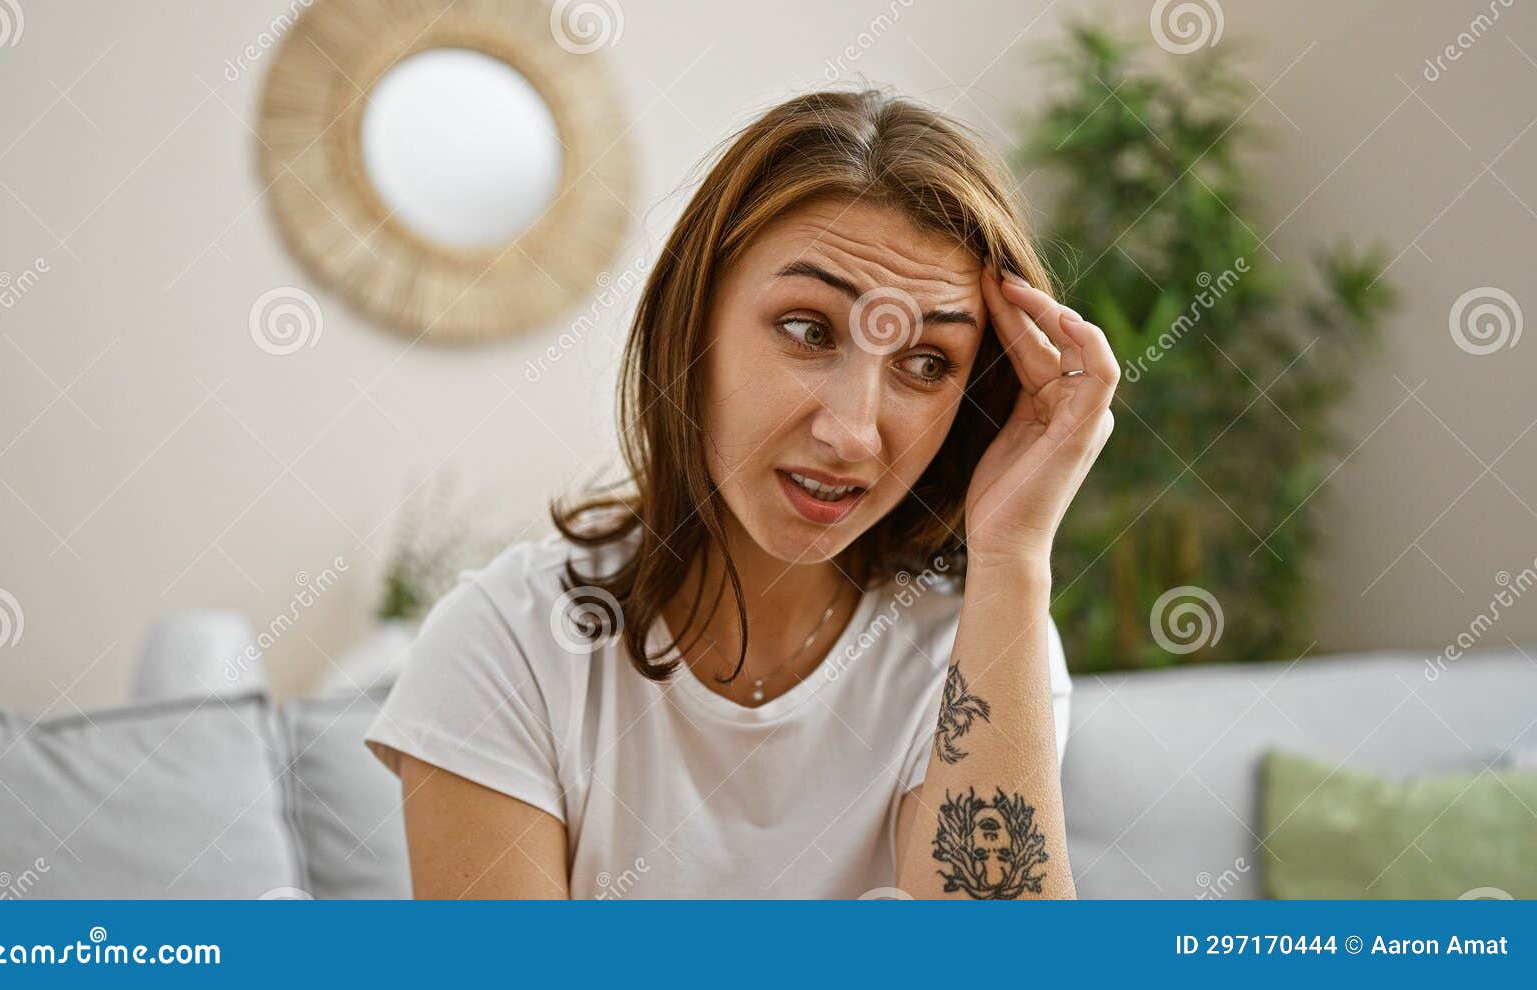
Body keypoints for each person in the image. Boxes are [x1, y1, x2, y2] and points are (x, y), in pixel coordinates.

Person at [363, 88, 1118, 899]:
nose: (853, 434)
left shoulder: (973, 644)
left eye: (927, 363)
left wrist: (1011, 559)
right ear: (697, 323)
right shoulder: (508, 647)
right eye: (807, 329)